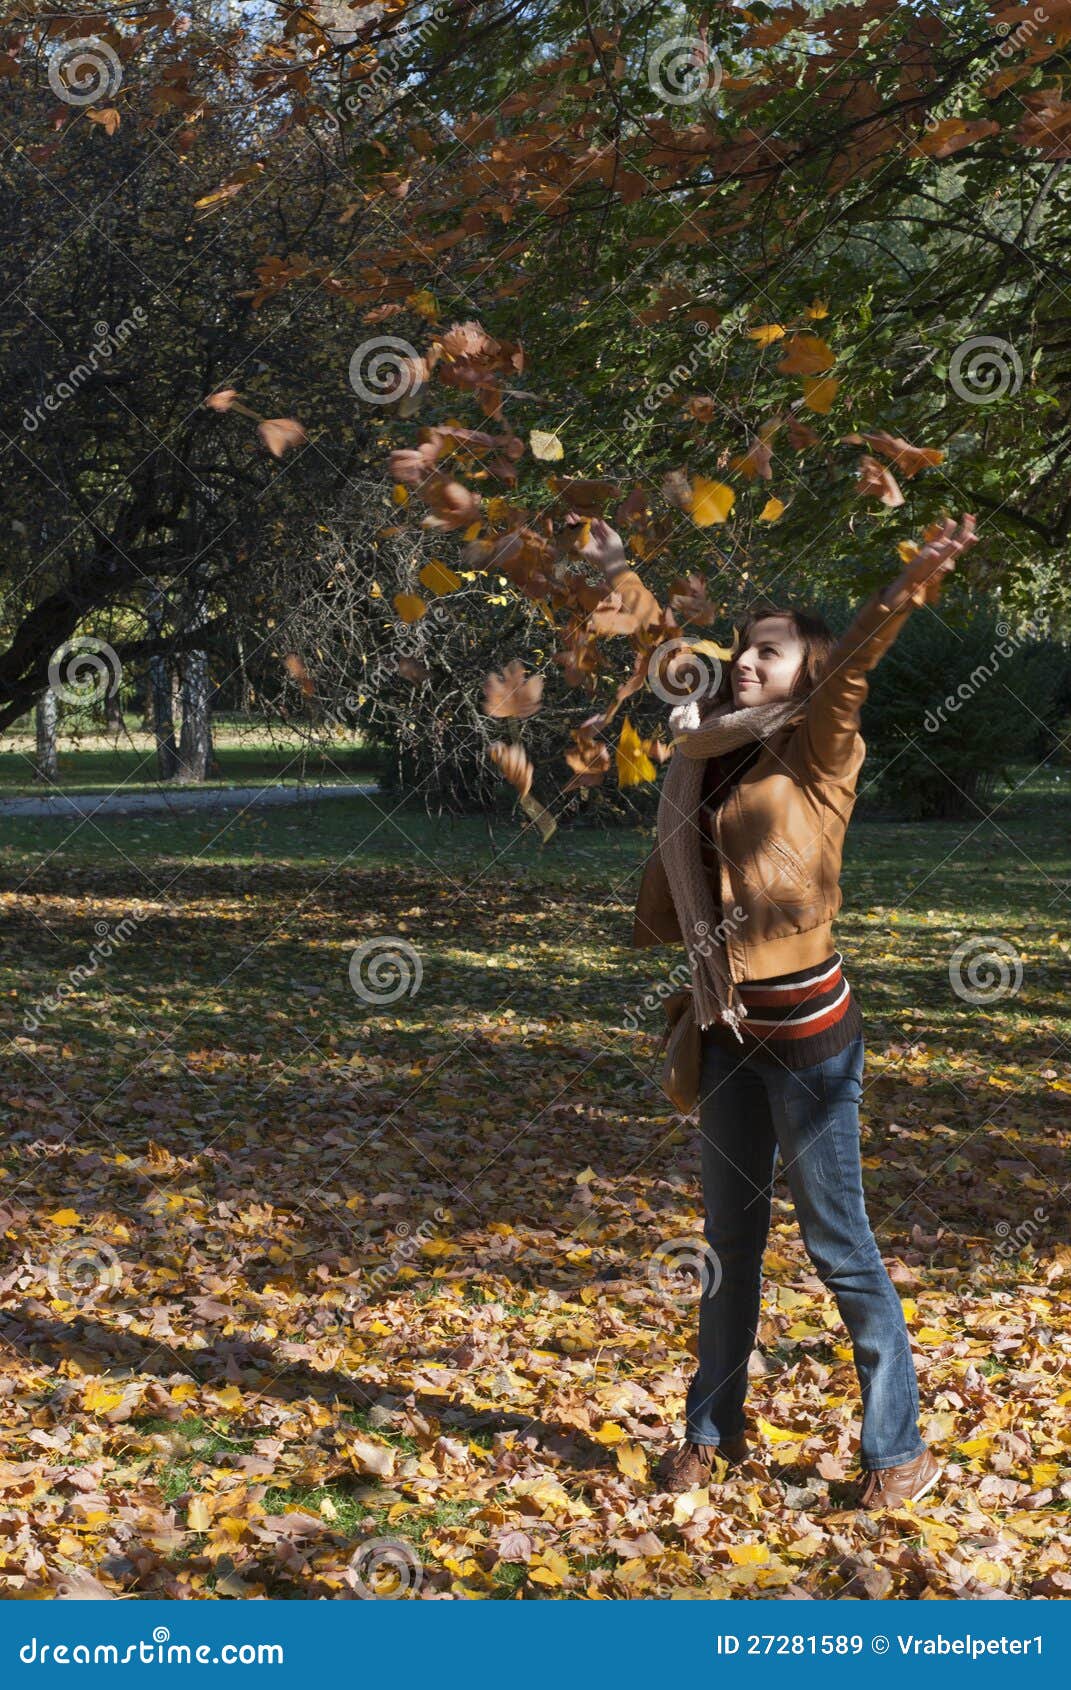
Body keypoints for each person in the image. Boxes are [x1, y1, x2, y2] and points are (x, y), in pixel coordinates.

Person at [580, 512, 978, 1509]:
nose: (750, 660)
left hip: (807, 1041)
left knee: (838, 1244)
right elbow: (657, 641)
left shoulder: (819, 748)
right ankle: (711, 1432)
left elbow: (853, 669)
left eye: (773, 650)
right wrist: (611, 568)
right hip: (725, 1030)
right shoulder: (704, 746)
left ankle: (897, 1450)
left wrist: (906, 585)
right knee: (728, 1246)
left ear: (808, 673)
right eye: (745, 647)